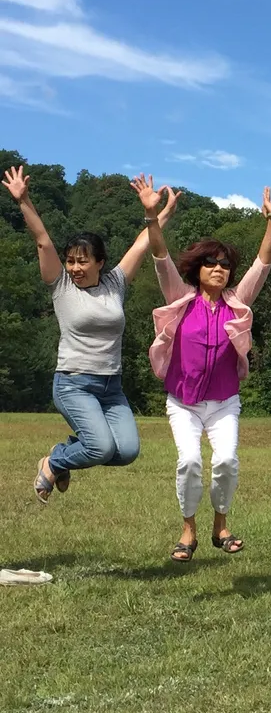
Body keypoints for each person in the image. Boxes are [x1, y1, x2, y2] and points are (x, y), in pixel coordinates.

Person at [2, 165, 180, 504]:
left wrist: (156, 213)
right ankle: (55, 463)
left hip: (111, 387)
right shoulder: (62, 286)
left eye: (83, 262)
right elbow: (42, 240)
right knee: (100, 446)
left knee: (126, 451)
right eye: (71, 261)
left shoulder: (115, 284)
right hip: (73, 383)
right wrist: (24, 200)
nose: (75, 268)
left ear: (100, 262)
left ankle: (64, 453)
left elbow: (143, 244)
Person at [141, 178, 271, 562]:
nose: (219, 269)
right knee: (189, 461)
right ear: (197, 269)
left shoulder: (237, 303)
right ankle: (187, 528)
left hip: (224, 401)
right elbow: (160, 259)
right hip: (183, 401)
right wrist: (151, 215)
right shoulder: (180, 298)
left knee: (225, 460)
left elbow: (264, 264)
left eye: (225, 265)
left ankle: (219, 525)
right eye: (211, 263)